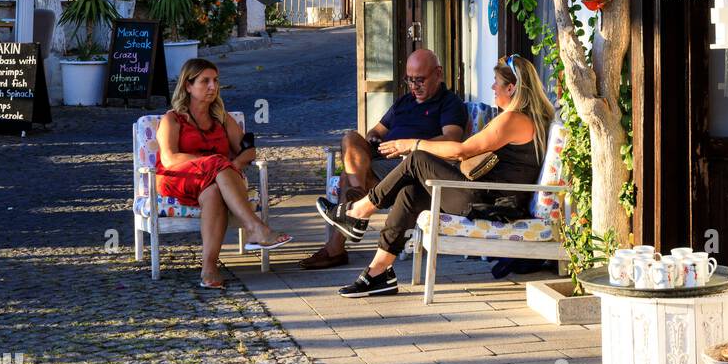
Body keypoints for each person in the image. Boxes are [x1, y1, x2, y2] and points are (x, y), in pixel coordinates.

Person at [320, 54, 554, 298]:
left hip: (491, 202)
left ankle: (359, 212)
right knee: (411, 192)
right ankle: (378, 273)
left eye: (496, 82)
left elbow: (461, 150)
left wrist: (414, 143)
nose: (492, 87)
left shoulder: (513, 119)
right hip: (486, 193)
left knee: (417, 159)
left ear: (512, 87)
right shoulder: (519, 119)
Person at [302, 48, 466, 270]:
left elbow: (451, 138)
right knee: (350, 138)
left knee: (345, 178)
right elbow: (377, 130)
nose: (414, 86)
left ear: (438, 73)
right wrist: (372, 138)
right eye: (409, 80)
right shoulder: (404, 102)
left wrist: (408, 145)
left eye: (420, 80)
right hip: (382, 159)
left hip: (410, 165)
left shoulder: (449, 103)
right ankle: (357, 199)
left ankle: (336, 247)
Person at [156, 58, 292, 288]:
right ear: (188, 86)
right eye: (205, 81)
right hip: (178, 178)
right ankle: (255, 228)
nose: (213, 86)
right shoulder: (173, 118)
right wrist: (214, 162)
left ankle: (209, 268)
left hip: (214, 181)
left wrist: (234, 164)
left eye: (215, 81)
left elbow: (249, 151)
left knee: (213, 192)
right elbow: (169, 158)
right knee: (218, 165)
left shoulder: (221, 118)